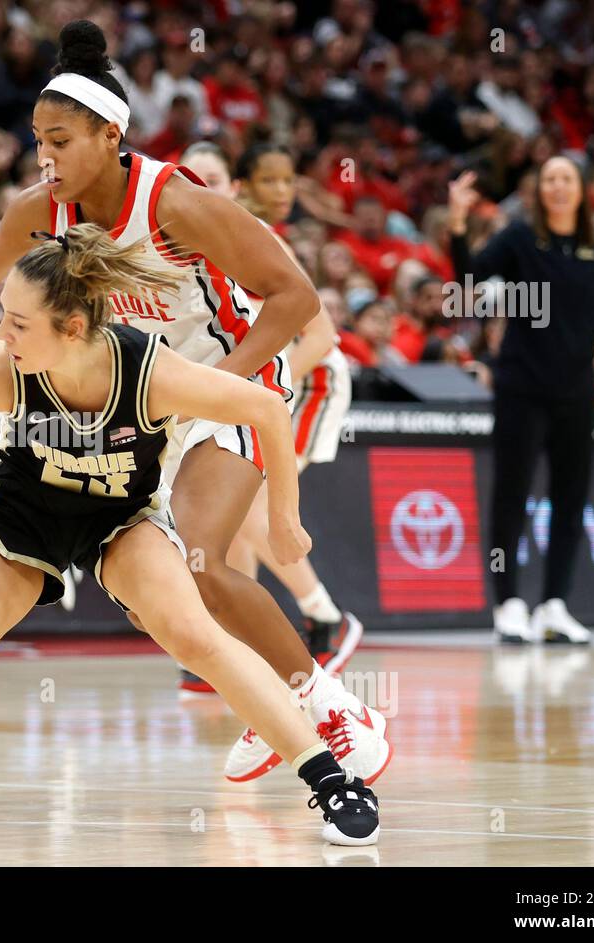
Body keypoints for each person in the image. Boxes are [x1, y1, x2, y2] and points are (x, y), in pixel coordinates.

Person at [0, 21, 391, 782]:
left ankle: (327, 706)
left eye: (60, 140)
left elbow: (294, 297)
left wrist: (226, 392)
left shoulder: (177, 203)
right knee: (171, 586)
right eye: (37, 140)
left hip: (239, 379)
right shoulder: (44, 208)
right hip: (151, 397)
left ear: (108, 134)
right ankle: (282, 707)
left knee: (197, 558)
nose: (45, 156)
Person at [0, 224, 382, 846]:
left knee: (199, 638)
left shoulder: (151, 371)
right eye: (2, 315)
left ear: (73, 328)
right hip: (20, 519)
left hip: (121, 519)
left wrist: (284, 516)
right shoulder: (3, 369)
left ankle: (328, 778)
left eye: (18, 323)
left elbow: (268, 408)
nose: (1, 334)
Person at [181, 141, 367, 783]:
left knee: (255, 519)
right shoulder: (168, 246)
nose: (196, 190)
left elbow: (319, 336)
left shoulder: (248, 233)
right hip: (230, 388)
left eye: (210, 180)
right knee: (221, 544)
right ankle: (269, 693)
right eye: (189, 179)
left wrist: (253, 387)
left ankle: (326, 621)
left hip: (298, 380)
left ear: (231, 188)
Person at [449, 156, 594, 644]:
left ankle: (554, 605)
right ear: (539, 190)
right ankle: (508, 604)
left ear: (582, 189)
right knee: (512, 496)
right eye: (549, 179)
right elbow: (469, 279)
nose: (558, 187)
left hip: (577, 393)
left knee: (570, 501)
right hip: (522, 390)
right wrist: (459, 223)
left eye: (567, 178)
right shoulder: (521, 239)